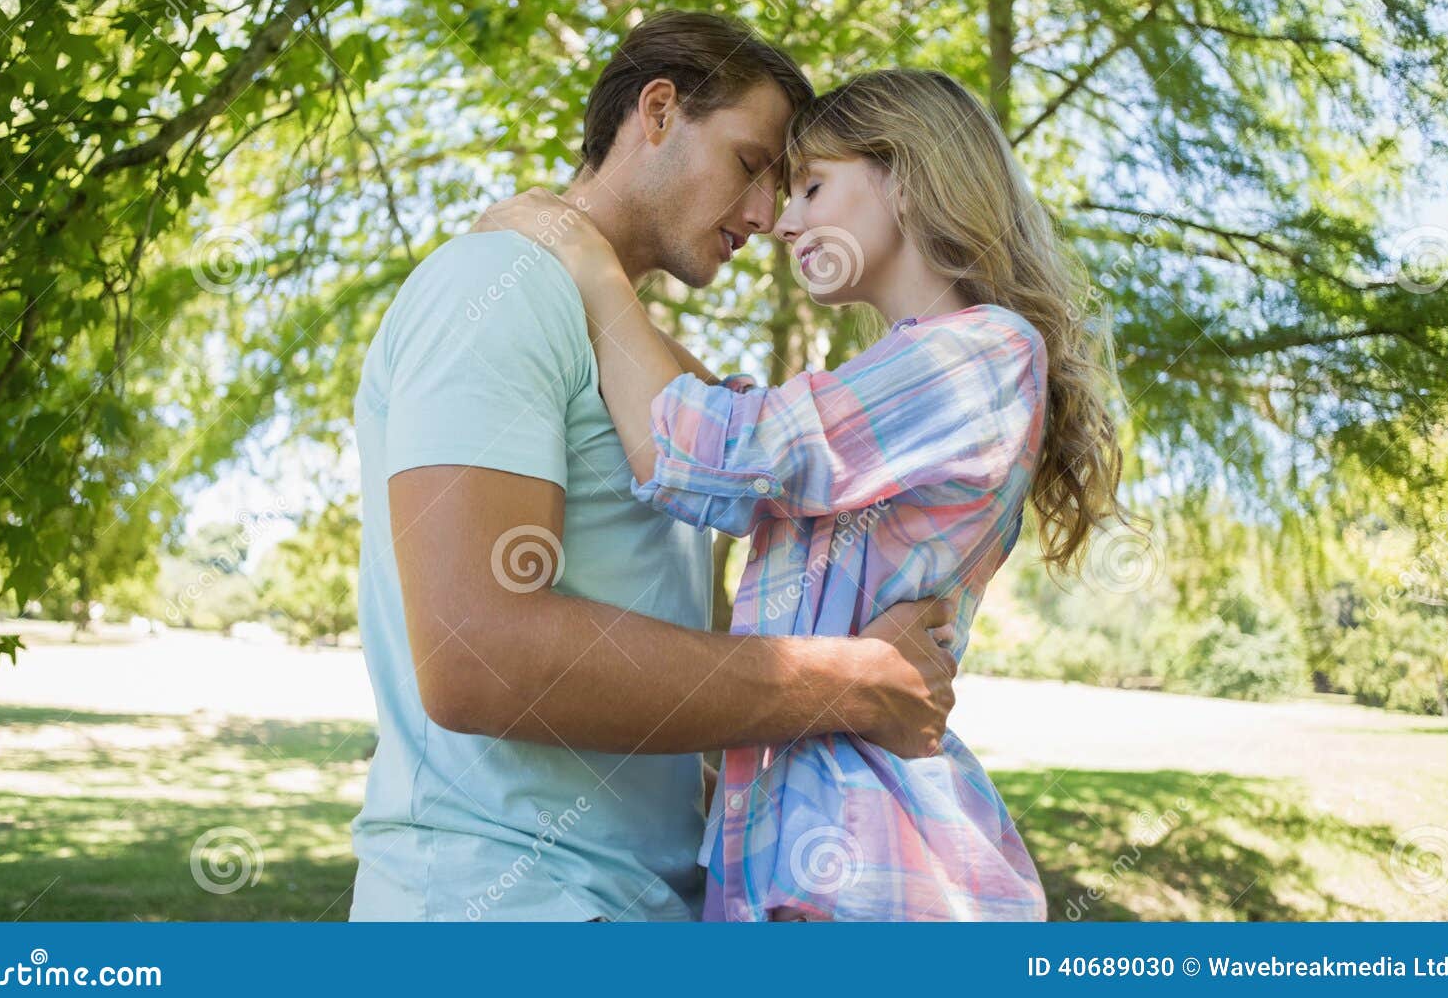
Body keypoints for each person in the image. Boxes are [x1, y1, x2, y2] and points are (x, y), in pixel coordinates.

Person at [348, 13, 962, 923]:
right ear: (661, 110)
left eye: (788, 188)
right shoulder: (489, 289)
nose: (767, 217)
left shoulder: (638, 366)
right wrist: (851, 683)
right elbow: (478, 657)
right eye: (753, 164)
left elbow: (746, 472)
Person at [480, 68, 1128, 921]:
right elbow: (747, 430)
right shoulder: (912, 371)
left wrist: (587, 265)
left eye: (813, 186)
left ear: (909, 176)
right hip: (794, 852)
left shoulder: (981, 355)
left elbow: (711, 449)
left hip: (864, 863)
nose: (783, 221)